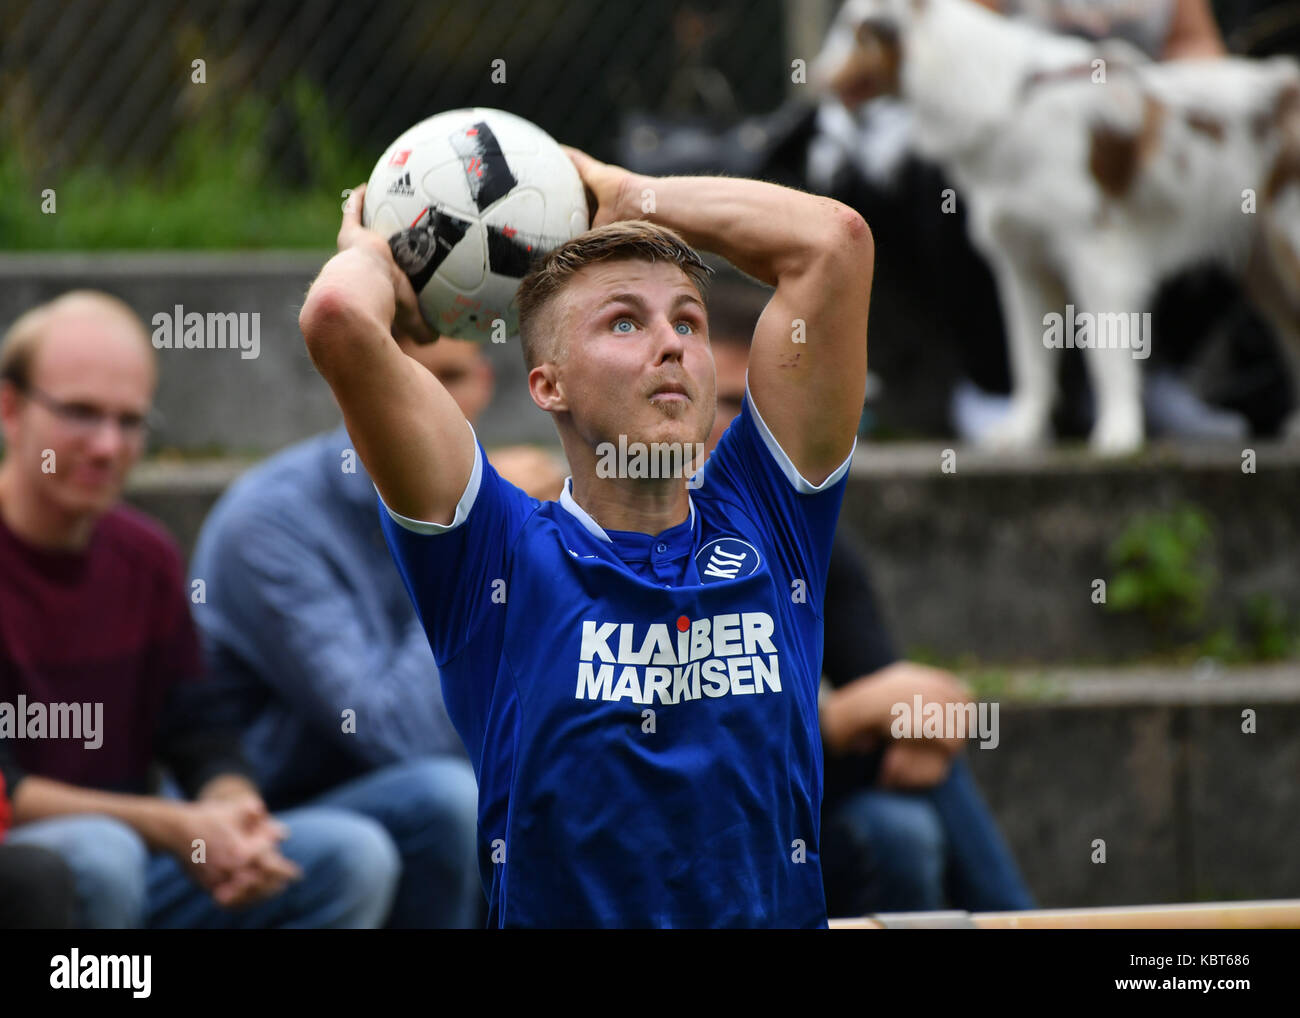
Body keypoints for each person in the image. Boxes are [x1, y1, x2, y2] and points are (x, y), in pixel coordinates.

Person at [299, 148, 874, 927]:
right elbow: (337, 319)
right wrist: (371, 251)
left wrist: (630, 194)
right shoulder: (491, 552)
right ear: (549, 383)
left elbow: (831, 243)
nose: (670, 343)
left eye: (688, 321)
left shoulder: (771, 515)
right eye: (625, 321)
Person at [0, 290, 399, 928]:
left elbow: (198, 729)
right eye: (80, 414)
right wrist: (176, 825)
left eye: (129, 421)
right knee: (103, 859)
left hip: (144, 857)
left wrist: (232, 811)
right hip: (34, 871)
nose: (107, 446)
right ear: (11, 407)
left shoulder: (145, 556)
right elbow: (6, 792)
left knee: (351, 856)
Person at [188, 336, 562, 928]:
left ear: (485, 383)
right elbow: (393, 733)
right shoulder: (269, 523)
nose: (428, 398)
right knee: (450, 799)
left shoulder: (504, 502)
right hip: (276, 813)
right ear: (351, 383)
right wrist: (474, 550)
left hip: (418, 788)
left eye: (451, 375)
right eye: (403, 374)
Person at [704, 272, 1034, 916]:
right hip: (695, 817)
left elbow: (906, 694)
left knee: (901, 821)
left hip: (794, 796)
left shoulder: (801, 538)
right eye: (718, 403)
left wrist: (910, 722)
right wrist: (838, 722)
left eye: (758, 412)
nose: (742, 434)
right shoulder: (627, 532)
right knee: (899, 832)